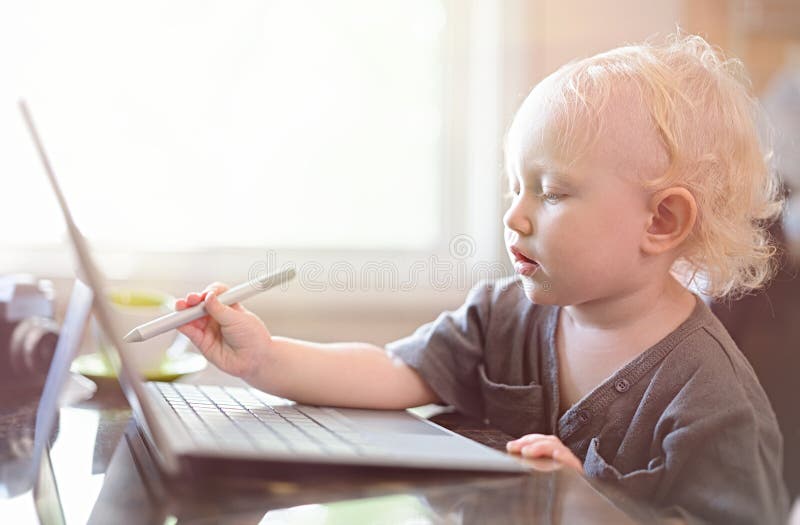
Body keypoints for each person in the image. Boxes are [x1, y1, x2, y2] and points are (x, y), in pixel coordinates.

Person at [175, 33, 789, 523]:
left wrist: (587, 507)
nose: (514, 215)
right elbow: (397, 373)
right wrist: (264, 359)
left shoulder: (712, 398)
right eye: (514, 186)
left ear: (661, 220)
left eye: (550, 192)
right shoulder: (502, 314)